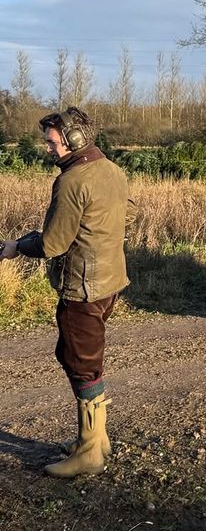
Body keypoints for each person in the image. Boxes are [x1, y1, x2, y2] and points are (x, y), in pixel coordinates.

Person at [0, 107, 136, 479]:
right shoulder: (111, 169)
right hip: (110, 282)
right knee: (79, 356)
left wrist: (17, 246)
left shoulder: (72, 180)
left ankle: (90, 453)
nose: (47, 148)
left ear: (74, 140)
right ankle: (97, 440)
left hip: (83, 287)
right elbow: (121, 217)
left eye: (51, 142)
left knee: (81, 362)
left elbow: (53, 244)